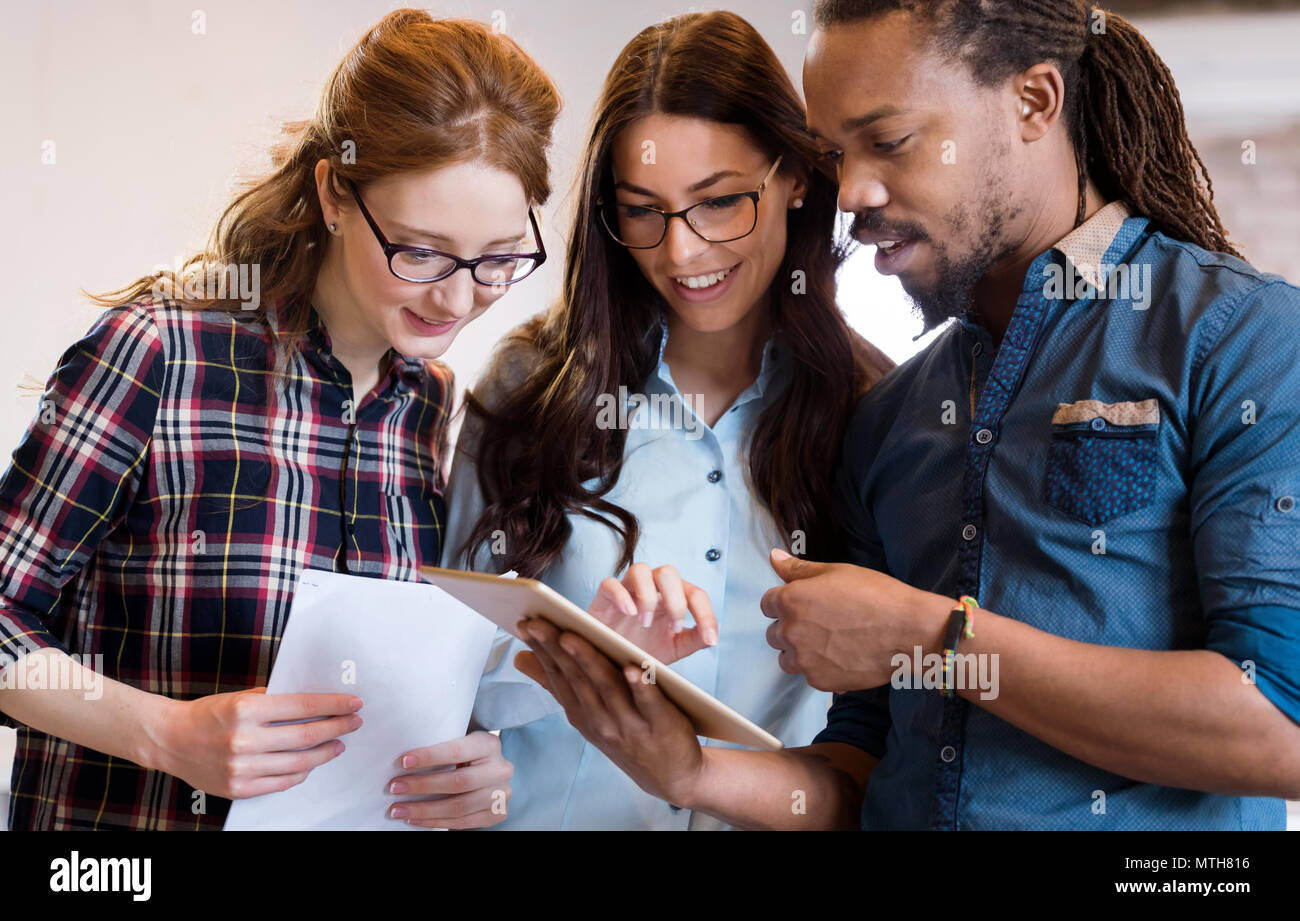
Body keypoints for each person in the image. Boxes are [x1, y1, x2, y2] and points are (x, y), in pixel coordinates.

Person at [516, 0, 1300, 830]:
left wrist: (936, 639)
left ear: (1033, 102)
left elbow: (1279, 727)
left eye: (888, 141)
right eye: (834, 153)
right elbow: (860, 772)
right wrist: (691, 771)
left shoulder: (1240, 338)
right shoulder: (889, 414)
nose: (851, 192)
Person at [0, 10, 562, 831]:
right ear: (336, 192)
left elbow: (395, 688)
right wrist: (167, 734)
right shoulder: (161, 351)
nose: (455, 296)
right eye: (419, 250)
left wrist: (472, 763)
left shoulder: (431, 405)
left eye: (498, 259)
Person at [442, 10, 892, 829]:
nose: (682, 253)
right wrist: (582, 651)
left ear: (795, 175)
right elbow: (447, 671)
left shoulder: (877, 412)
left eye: (719, 203)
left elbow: (889, 755)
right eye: (643, 210)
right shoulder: (527, 388)